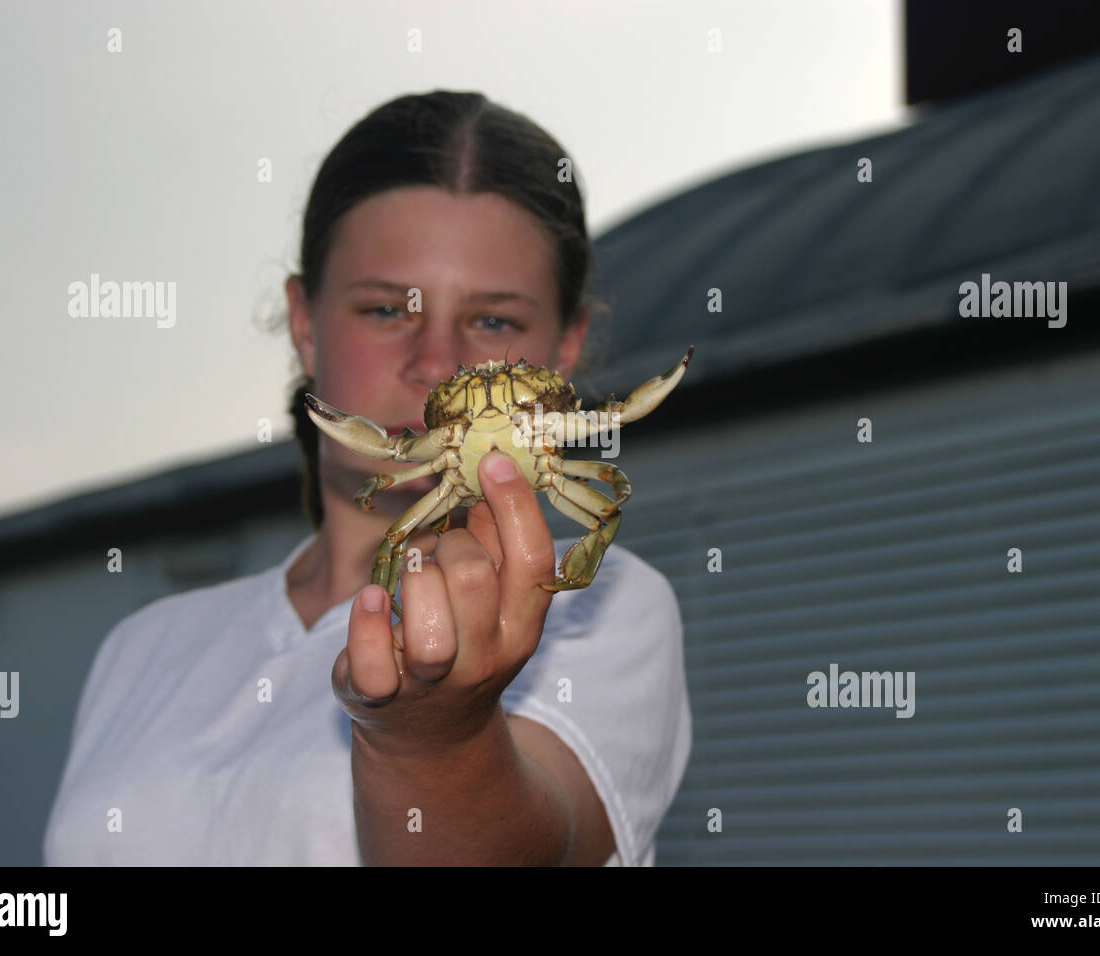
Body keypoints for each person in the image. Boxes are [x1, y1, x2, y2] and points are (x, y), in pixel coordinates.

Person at [42, 90, 692, 866]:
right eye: (388, 310)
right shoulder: (142, 645)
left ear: (565, 350)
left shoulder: (602, 608)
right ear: (305, 322)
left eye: (494, 321)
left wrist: (430, 744)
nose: (438, 362)